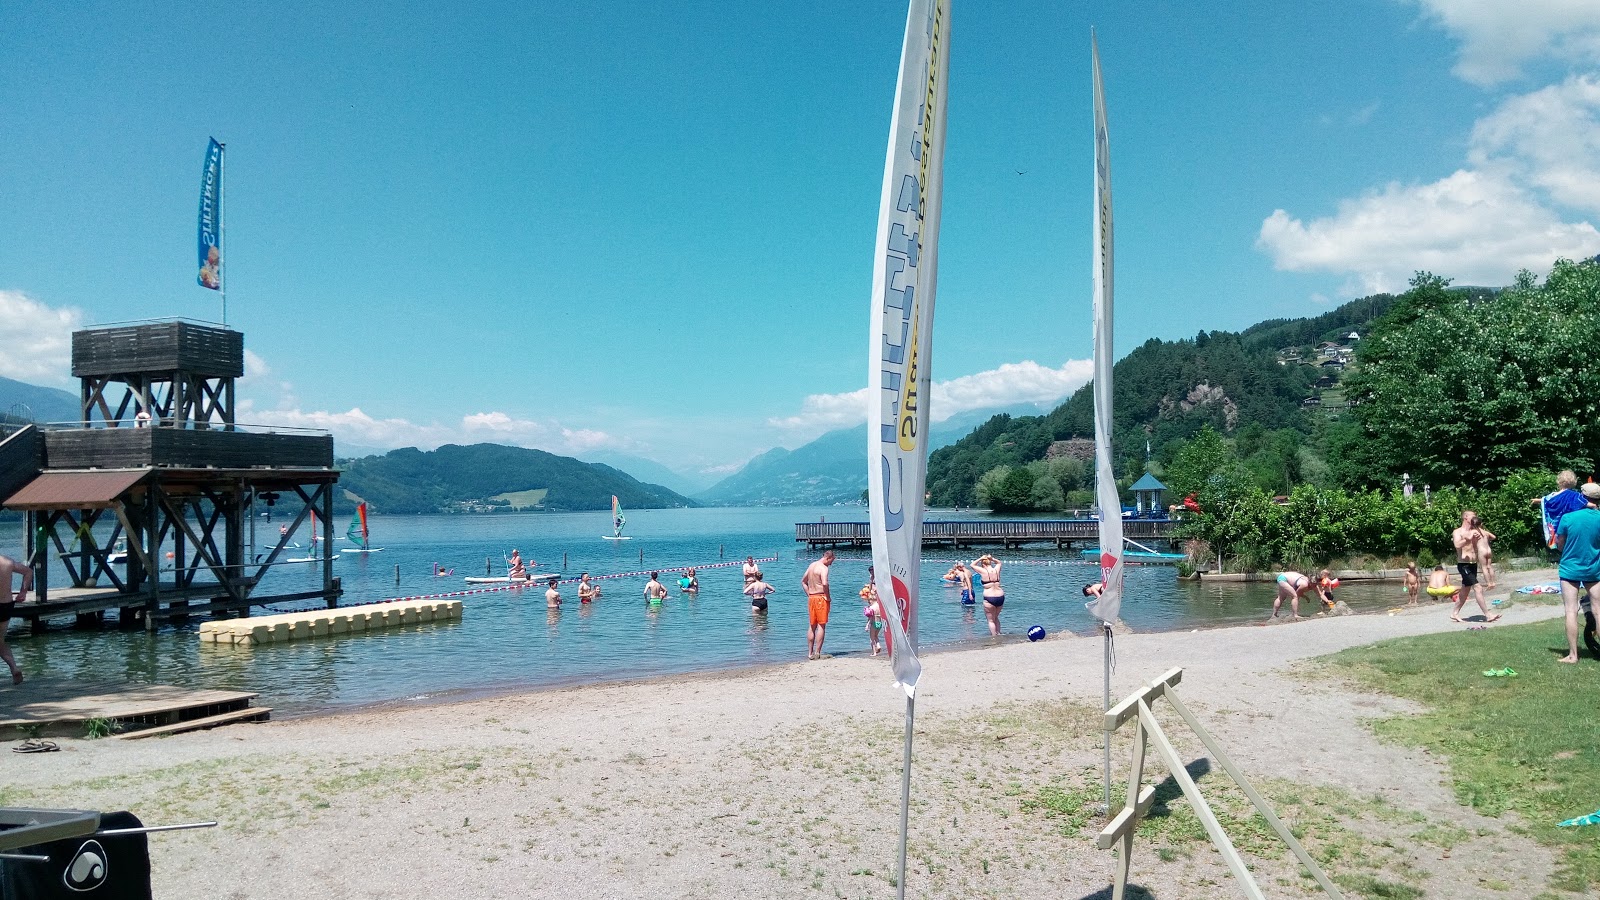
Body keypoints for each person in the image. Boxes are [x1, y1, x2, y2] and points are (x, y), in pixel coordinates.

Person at [1554, 482, 1600, 663]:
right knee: (1598, 610)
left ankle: (1573, 655)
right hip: (1594, 568)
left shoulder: (1568, 517)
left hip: (1570, 568)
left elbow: (1559, 545)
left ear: (1582, 496)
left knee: (1570, 611)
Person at [1450, 511, 1499, 623]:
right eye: (1473, 515)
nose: (1475, 517)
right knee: (1478, 588)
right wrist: (1468, 538)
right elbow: (1457, 545)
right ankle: (1488, 615)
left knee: (1465, 590)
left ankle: (1454, 613)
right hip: (1463, 565)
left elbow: (1490, 537)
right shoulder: (1458, 531)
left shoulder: (1475, 530)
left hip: (1473, 564)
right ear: (1466, 517)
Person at [1534, 470, 1589, 548]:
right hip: (1570, 526)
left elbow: (1545, 500)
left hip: (1557, 529)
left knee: (1560, 546)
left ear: (1559, 482)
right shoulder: (1574, 496)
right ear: (1574, 482)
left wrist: (1538, 500)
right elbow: (1585, 504)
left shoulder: (1552, 496)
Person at [0, 554, 33, 684]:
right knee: (0, 641)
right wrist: (23, 592)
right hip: (5, 606)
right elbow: (28, 572)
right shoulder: (7, 562)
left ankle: (14, 668)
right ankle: (14, 667)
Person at [801, 549, 835, 660]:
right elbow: (825, 583)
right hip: (821, 597)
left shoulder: (812, 565)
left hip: (812, 597)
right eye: (831, 561)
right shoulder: (823, 568)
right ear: (828, 558)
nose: (831, 564)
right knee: (821, 625)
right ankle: (817, 652)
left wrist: (808, 594)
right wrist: (828, 597)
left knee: (812, 625)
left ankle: (809, 653)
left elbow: (803, 581)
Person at [970, 553, 1004, 636]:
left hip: (989, 597)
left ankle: (994, 636)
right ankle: (999, 634)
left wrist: (980, 558)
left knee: (990, 620)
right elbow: (999, 562)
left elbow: (972, 565)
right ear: (990, 563)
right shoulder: (996, 569)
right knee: (996, 617)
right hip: (1000, 596)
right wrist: (992, 558)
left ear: (983, 564)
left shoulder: (983, 571)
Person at [861, 567, 884, 657]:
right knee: (876, 636)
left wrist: (867, 625)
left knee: (871, 638)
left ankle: (874, 652)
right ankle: (878, 645)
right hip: (880, 623)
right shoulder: (879, 606)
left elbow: (870, 617)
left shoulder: (872, 608)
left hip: (874, 622)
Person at [1473, 515, 1498, 589]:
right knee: (1489, 566)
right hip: (1488, 550)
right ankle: (1493, 582)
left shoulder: (1474, 533)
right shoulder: (1485, 532)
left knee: (1484, 567)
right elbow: (1494, 537)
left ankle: (1488, 583)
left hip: (1481, 550)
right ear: (1481, 524)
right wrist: (1487, 539)